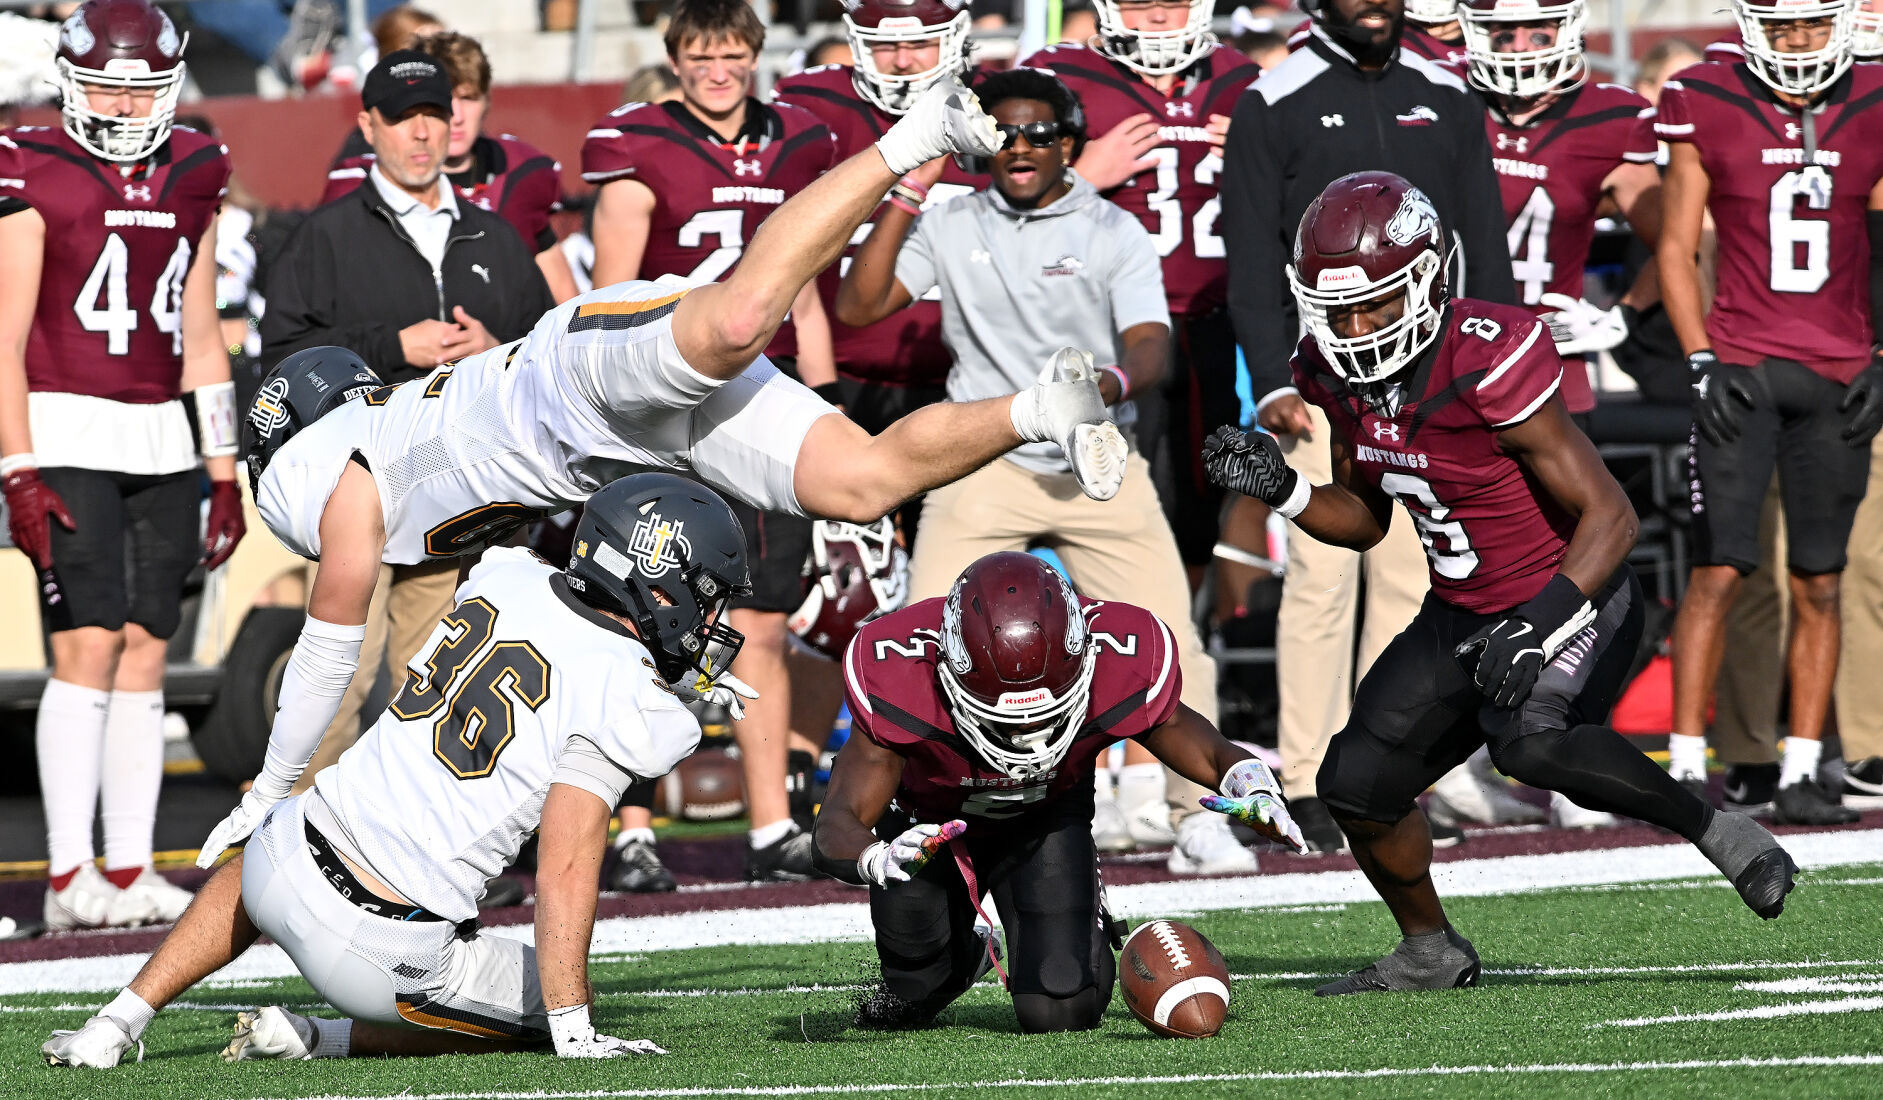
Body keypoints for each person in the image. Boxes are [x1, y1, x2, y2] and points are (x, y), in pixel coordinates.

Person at [198, 78, 1124, 890]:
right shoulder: (387, 469)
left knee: (740, 320)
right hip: (614, 449)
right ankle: (1040, 410)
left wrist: (272, 787)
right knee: (861, 482)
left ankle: (912, 137)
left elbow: (328, 643)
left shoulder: (350, 467)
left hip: (577, 378)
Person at [1203, 171, 1798, 995]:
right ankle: (1429, 949)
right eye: (1338, 310)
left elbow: (1610, 517)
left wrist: (1536, 620)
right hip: (1460, 609)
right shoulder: (1330, 373)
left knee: (1530, 743)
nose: (1356, 327)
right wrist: (1285, 490)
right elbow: (1367, 518)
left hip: (1567, 592)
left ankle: (1720, 830)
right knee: (1355, 785)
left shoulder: (1485, 355)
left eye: (1374, 304)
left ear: (1427, 280)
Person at [42, 475, 739, 1068]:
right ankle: (322, 1037)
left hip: (278, 866)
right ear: (662, 582)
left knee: (284, 838)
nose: (713, 620)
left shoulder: (511, 576)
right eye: (708, 597)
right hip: (381, 951)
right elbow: (563, 864)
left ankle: (114, 1024)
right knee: (546, 1000)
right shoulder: (632, 694)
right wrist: (571, 1026)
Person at [837, 67, 1242, 876]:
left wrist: (1108, 386)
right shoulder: (952, 221)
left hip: (1093, 448)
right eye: (1005, 133)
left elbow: (1149, 345)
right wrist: (912, 184)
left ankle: (1197, 815)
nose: (1021, 147)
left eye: (1039, 134)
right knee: (923, 635)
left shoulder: (1111, 228)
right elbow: (858, 305)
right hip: (980, 455)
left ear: (1070, 144)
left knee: (1169, 633)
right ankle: (922, 815)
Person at [1219, 0, 1516, 854]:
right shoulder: (1272, 97)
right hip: (1322, 376)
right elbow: (1249, 256)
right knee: (1318, 579)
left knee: (1410, 580)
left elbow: (1481, 248)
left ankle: (1392, 770)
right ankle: (1308, 776)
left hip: (1428, 375)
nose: (1373, 4)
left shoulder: (1446, 91)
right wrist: (1274, 379)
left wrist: (1490, 368)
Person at [812, 552, 1304, 1033]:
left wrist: (1252, 783)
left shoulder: (1119, 652)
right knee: (916, 988)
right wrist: (878, 857)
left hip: (1043, 818)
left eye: (1049, 715)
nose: (1028, 734)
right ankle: (963, 955)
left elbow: (1199, 740)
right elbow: (836, 823)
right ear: (948, 665)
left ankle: (1080, 920)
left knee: (1062, 1006)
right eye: (1002, 718)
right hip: (926, 830)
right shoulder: (899, 671)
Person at [582, 0, 846, 881]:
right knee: (640, 621)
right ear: (676, 60)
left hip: (762, 405)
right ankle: (632, 830)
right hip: (663, 406)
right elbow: (609, 297)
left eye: (733, 53)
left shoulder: (798, 143)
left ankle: (771, 828)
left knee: (763, 622)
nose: (718, 70)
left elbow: (803, 289)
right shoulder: (637, 143)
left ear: (755, 55)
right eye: (701, 55)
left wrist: (827, 402)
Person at [260, 49, 558, 813]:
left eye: (434, 115)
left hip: (456, 489)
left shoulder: (494, 237)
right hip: (353, 486)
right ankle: (280, 841)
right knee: (340, 676)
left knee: (434, 680)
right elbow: (281, 362)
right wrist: (394, 347)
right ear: (368, 125)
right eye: (402, 118)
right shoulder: (322, 236)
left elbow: (551, 364)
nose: (422, 134)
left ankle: (405, 849)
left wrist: (500, 354)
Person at [0, 0, 245, 931]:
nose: (123, 104)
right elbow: (6, 335)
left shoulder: (195, 166)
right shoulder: (34, 165)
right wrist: (18, 467)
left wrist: (222, 468)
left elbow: (200, 330)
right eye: (105, 82)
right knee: (87, 645)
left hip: (162, 439)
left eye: (142, 87)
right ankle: (69, 877)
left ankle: (132, 863)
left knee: (148, 647)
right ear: (69, 77)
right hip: (64, 428)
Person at [1020, 0, 1261, 852]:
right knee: (1098, 548)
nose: (1156, 14)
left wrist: (1266, 159)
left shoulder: (1243, 77)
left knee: (1185, 552)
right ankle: (1113, 762)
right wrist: (1080, 167)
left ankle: (1166, 742)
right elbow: (997, 203)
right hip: (1098, 341)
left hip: (1205, 337)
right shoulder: (1061, 78)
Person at [1429, 0, 1664, 830]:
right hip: (1444, 375)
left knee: (1574, 566)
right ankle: (1447, 758)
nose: (1521, 47)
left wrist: (1625, 313)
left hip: (1547, 378)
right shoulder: (1437, 98)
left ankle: (1564, 747)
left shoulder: (1610, 116)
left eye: (1536, 30)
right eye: (1504, 31)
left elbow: (1677, 230)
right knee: (1457, 568)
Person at [1657, 0, 1883, 826]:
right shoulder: (1703, 95)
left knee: (1820, 579)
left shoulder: (1872, 96)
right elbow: (1675, 247)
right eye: (1781, 28)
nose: (1796, 43)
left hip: (1838, 369)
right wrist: (1699, 358)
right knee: (1720, 568)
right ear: (1751, 28)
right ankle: (1683, 766)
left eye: (1810, 26)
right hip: (1744, 365)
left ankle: (1798, 768)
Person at [320, 32, 578, 303]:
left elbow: (567, 310)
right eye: (441, 102)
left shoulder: (522, 170)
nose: (456, 115)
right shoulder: (363, 180)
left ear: (487, 102)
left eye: (468, 97)